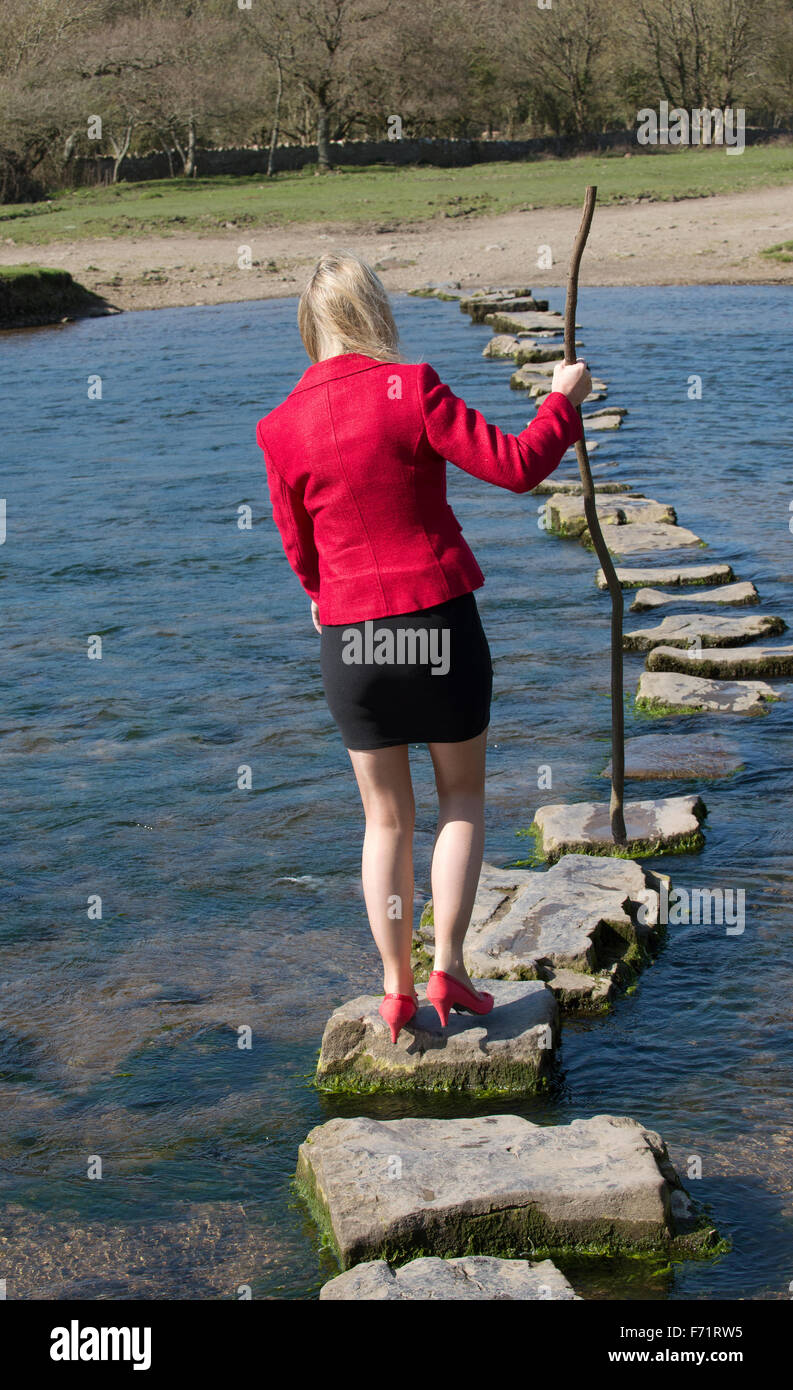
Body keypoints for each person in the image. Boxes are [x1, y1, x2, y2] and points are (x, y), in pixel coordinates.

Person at [256, 252, 591, 1043]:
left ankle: (395, 994)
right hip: (437, 621)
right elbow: (516, 467)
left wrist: (320, 597)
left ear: (310, 327)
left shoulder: (278, 426)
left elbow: (297, 547)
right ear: (373, 311)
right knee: (461, 802)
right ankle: (449, 972)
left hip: (351, 639)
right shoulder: (410, 387)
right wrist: (558, 401)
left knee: (384, 822)